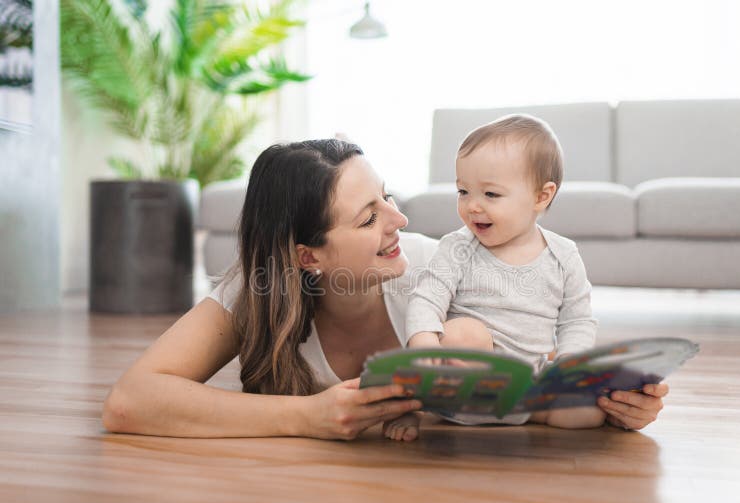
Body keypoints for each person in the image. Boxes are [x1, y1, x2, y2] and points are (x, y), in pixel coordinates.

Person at [102, 138, 669, 442]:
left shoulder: (439, 267)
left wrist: (612, 403)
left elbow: (535, 374)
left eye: (388, 198)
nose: (398, 221)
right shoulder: (258, 287)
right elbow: (130, 403)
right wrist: (308, 417)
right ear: (307, 256)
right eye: (368, 217)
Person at [387, 115, 660, 439]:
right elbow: (427, 297)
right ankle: (412, 406)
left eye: (490, 194)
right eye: (463, 191)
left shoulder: (563, 255)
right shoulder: (458, 247)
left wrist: (569, 367)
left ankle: (525, 411)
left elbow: (577, 321)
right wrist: (424, 341)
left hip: (526, 382)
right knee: (463, 335)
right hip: (465, 380)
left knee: (584, 412)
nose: (472, 205)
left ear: (541, 197)